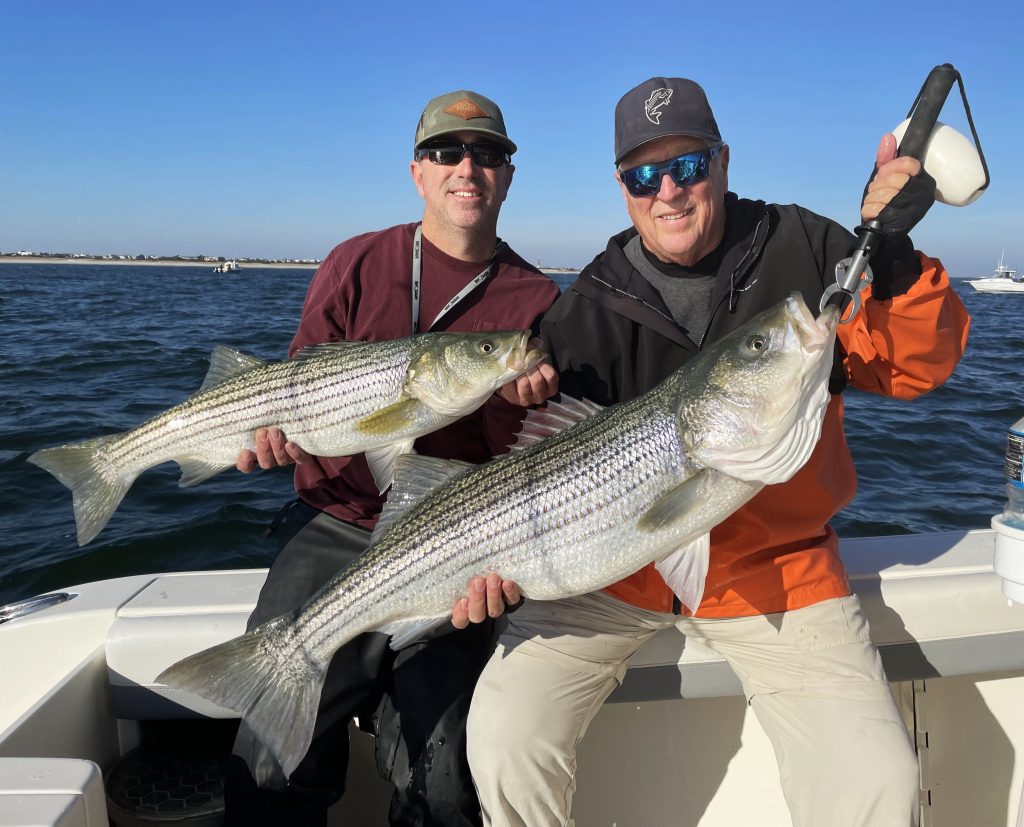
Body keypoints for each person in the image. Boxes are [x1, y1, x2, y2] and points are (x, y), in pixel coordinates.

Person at [464, 76, 970, 827]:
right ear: (623, 189)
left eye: (688, 166)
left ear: (723, 162)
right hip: (607, 574)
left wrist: (892, 257)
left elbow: (913, 365)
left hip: (777, 570)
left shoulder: (807, 246)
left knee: (876, 777)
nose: (668, 191)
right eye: (644, 175)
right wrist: (493, 559)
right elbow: (539, 469)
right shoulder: (585, 308)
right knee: (503, 740)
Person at [227, 89, 560, 827]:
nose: (466, 168)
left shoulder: (536, 299)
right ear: (418, 171)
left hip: (460, 535)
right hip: (336, 519)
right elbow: (298, 383)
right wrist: (272, 435)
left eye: (487, 154)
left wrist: (518, 402)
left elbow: (530, 457)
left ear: (508, 175)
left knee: (446, 777)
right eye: (446, 152)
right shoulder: (356, 261)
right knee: (269, 756)